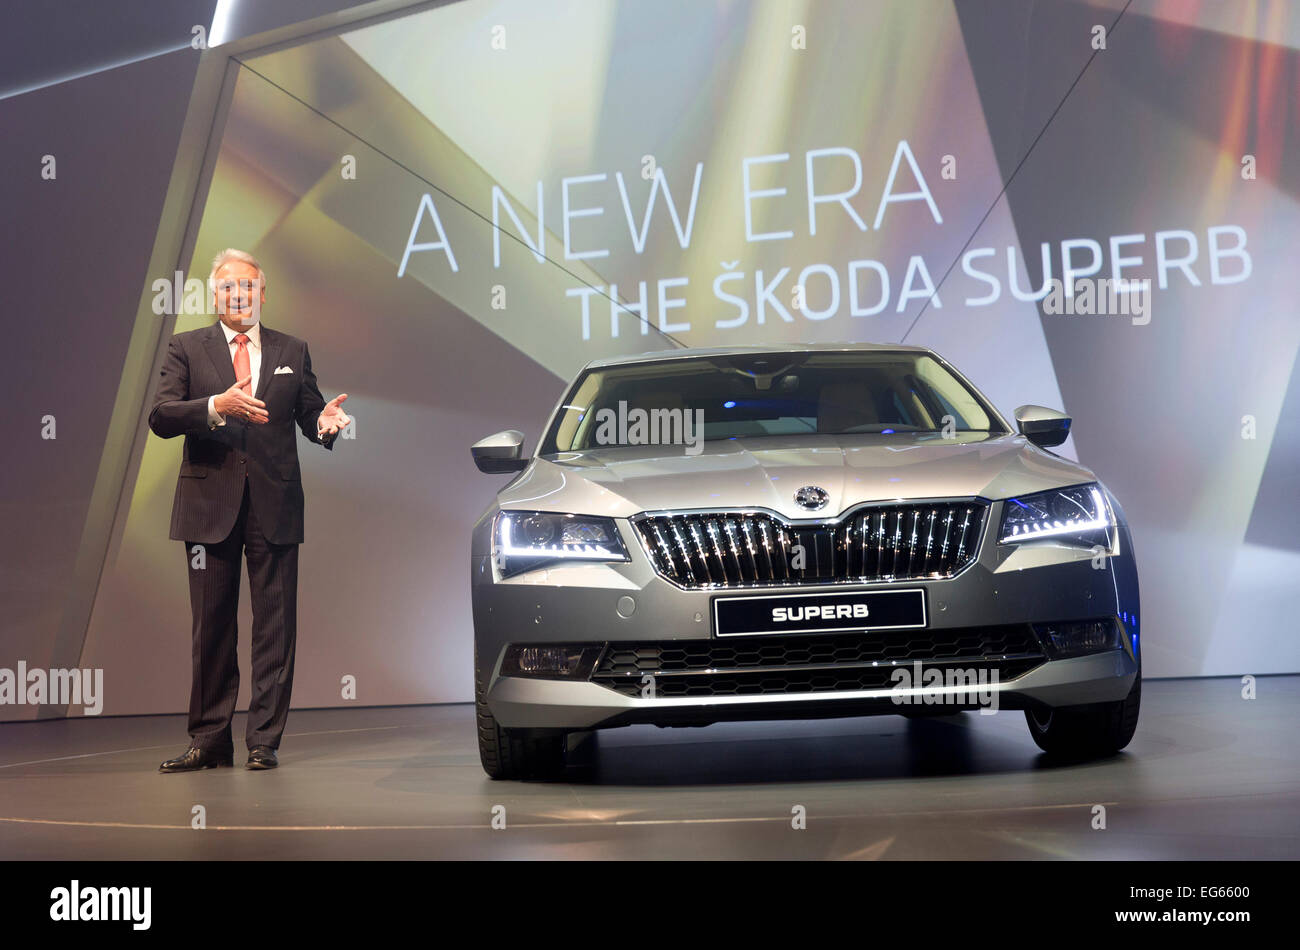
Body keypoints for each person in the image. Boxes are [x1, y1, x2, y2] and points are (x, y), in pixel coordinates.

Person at [148, 248, 350, 772]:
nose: (239, 295)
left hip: (275, 504)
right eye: (229, 288)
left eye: (249, 287)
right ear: (215, 297)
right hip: (208, 504)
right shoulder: (186, 348)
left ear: (263, 293)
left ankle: (264, 740)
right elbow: (162, 415)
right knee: (211, 627)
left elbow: (311, 416)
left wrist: (325, 424)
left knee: (275, 627)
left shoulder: (292, 349)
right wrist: (217, 407)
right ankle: (210, 740)